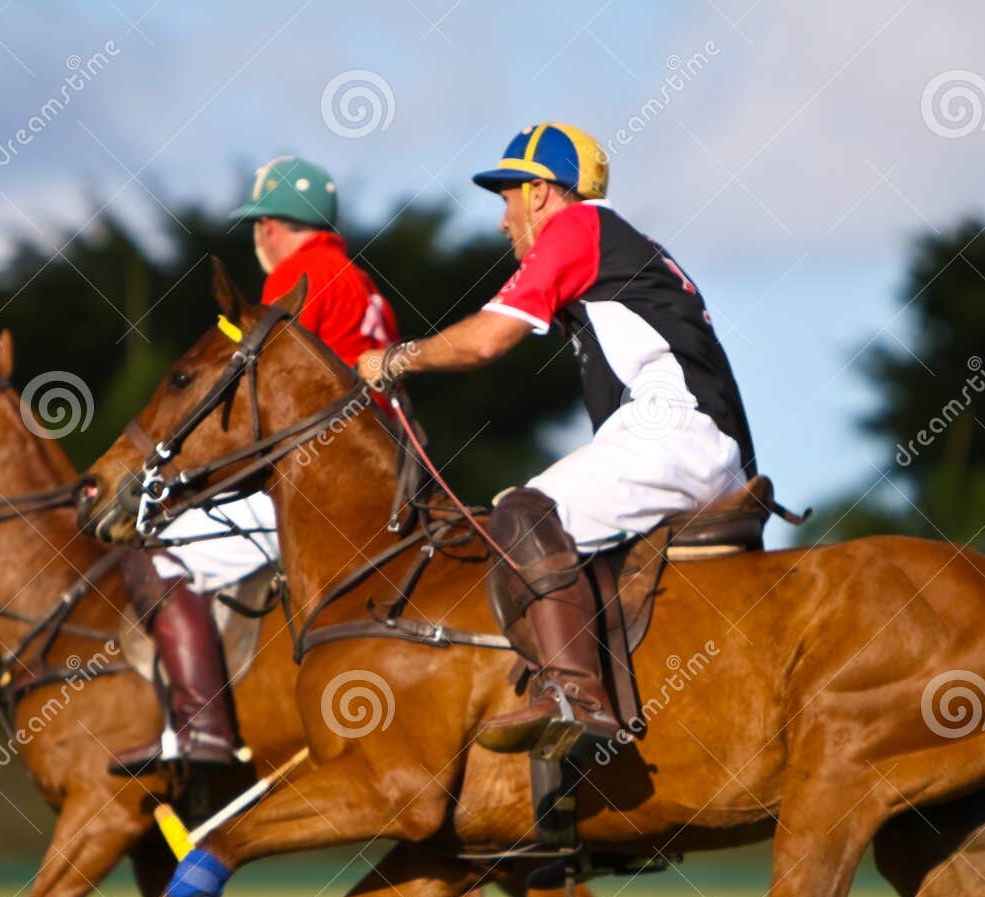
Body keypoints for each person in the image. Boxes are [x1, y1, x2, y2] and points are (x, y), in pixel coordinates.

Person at [355, 123, 757, 755]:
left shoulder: (577, 227)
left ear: (541, 192)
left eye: (507, 197)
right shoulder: (618, 240)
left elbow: (487, 340)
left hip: (675, 431)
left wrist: (396, 358)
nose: (502, 221)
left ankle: (576, 697)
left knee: (523, 513)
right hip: (706, 443)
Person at [117, 157, 398, 768]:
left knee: (156, 559)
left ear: (271, 225)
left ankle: (201, 729)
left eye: (258, 224)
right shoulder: (363, 282)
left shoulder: (297, 276)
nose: (258, 237)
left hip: (318, 486)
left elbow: (261, 395)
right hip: (380, 476)